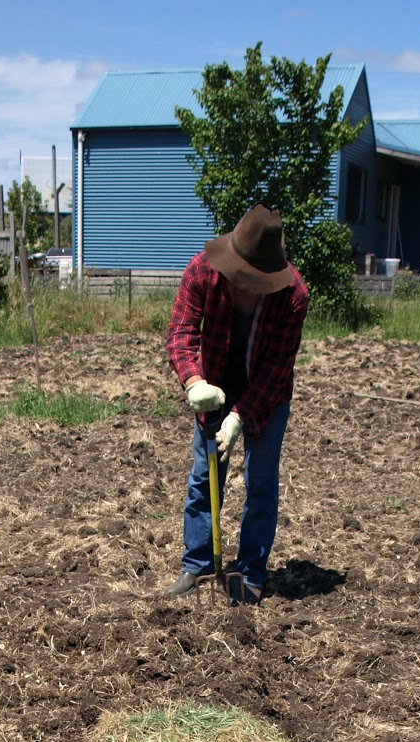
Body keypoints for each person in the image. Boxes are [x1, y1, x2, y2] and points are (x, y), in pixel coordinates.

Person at [163, 204, 309, 605]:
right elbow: (180, 331)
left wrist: (240, 416)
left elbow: (277, 368)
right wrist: (194, 382)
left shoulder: (293, 296)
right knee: (203, 477)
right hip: (214, 385)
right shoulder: (202, 271)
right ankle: (197, 566)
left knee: (260, 483)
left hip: (266, 394)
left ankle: (249, 574)